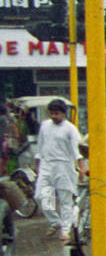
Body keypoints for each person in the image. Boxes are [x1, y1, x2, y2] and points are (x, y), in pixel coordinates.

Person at [33, 99, 80, 241]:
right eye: (51, 113)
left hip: (64, 166)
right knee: (40, 196)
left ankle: (66, 230)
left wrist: (81, 166)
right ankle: (55, 221)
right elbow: (40, 146)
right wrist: (37, 164)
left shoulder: (70, 128)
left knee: (65, 200)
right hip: (46, 165)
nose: (54, 116)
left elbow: (77, 150)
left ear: (64, 114)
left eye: (57, 113)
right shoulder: (45, 126)